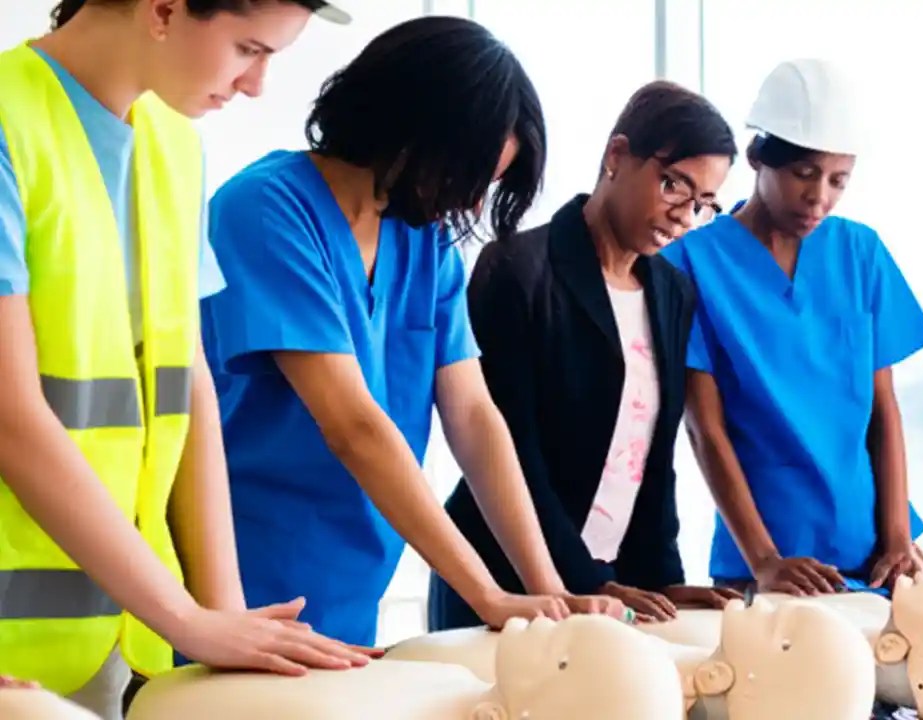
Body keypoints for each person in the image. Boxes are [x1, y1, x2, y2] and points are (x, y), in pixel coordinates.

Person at [200, 15, 624, 649]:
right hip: (241, 587)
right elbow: (354, 425)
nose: (476, 202)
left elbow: (476, 418)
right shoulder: (266, 210)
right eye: (473, 173)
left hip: (351, 594)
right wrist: (486, 596)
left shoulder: (426, 245)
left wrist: (548, 590)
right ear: (408, 128)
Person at [0, 0, 371, 716]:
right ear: (164, 10)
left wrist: (223, 612)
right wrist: (189, 619)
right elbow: (12, 417)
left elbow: (187, 378)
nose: (257, 84)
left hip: (112, 636)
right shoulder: (8, 122)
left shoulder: (174, 142)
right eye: (248, 49)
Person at [430, 81, 743, 631]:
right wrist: (585, 580)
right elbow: (514, 449)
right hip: (504, 575)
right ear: (617, 156)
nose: (683, 216)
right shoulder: (516, 269)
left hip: (608, 581)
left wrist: (661, 579)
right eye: (673, 185)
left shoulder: (672, 290)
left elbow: (652, 455)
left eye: (703, 204)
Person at [661, 58, 923, 597]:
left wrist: (898, 538)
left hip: (875, 556)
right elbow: (704, 429)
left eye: (839, 180)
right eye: (804, 174)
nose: (820, 198)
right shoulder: (692, 263)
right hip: (768, 564)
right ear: (759, 159)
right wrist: (765, 560)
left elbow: (883, 411)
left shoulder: (862, 252)